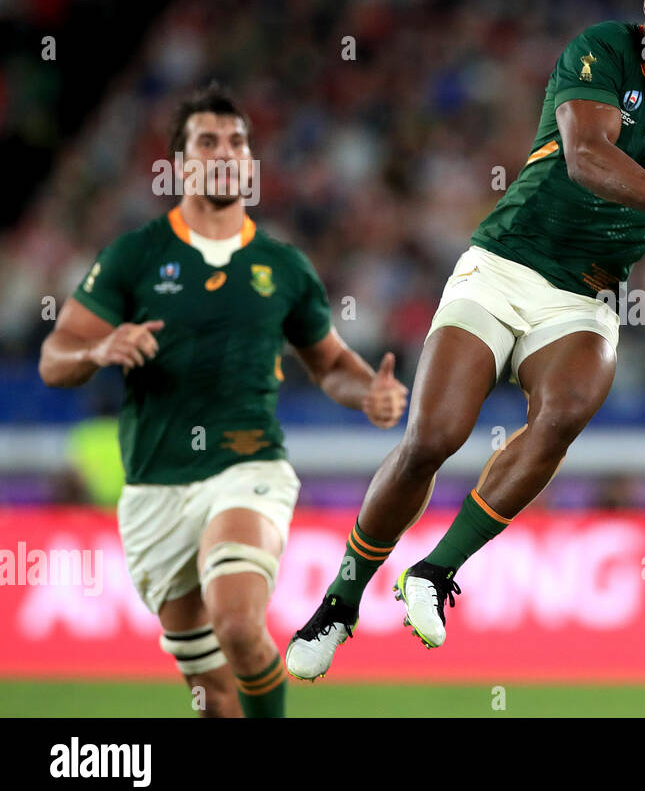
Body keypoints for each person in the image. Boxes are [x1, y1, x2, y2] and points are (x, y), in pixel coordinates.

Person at [286, 0, 645, 679]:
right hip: (504, 266)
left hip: (583, 296)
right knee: (432, 438)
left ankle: (433, 572)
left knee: (569, 409)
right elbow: (588, 157)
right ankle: (341, 599)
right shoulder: (600, 48)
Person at [38, 84, 409, 716]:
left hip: (249, 468)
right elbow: (54, 358)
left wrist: (368, 391)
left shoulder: (282, 266)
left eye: (237, 142)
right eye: (206, 142)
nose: (225, 153)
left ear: (250, 163)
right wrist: (96, 353)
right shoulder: (135, 257)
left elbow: (331, 366)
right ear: (180, 164)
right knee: (210, 696)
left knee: (238, 624)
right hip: (153, 489)